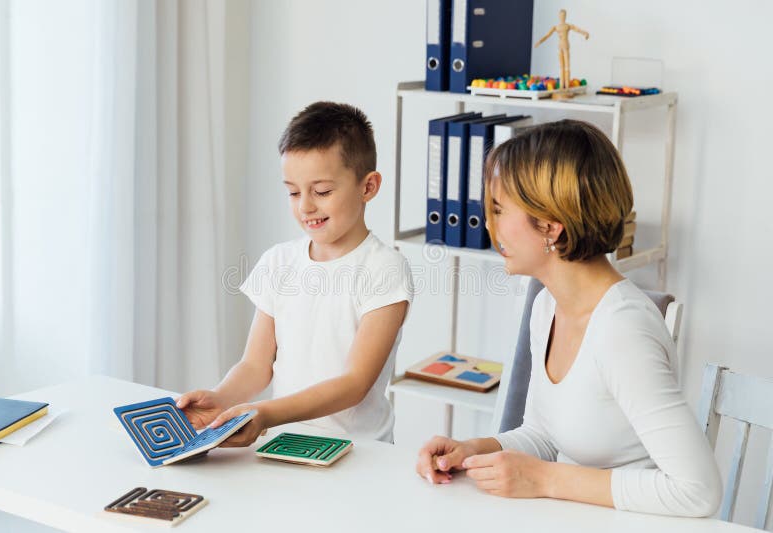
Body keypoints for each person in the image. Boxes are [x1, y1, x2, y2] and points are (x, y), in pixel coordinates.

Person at [415, 119, 722, 517]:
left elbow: (697, 491)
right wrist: (473, 451)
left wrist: (544, 479)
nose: (488, 225)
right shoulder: (547, 306)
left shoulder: (623, 329)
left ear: (550, 227)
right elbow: (542, 435)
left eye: (497, 209)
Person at [178, 101, 413, 445]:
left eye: (322, 191)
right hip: (283, 442)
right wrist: (221, 398)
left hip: (360, 453)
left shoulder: (384, 269)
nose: (305, 206)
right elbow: (256, 365)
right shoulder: (279, 262)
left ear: (368, 187)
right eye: (292, 191)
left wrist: (267, 413)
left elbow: (354, 384)